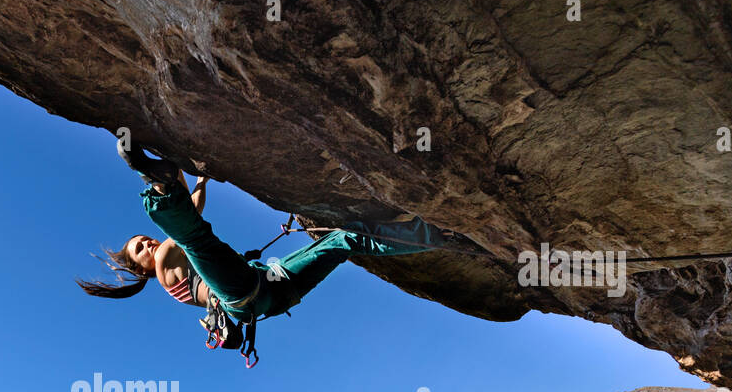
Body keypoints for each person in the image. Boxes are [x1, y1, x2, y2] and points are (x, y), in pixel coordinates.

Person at [76, 145, 451, 362]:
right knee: (197, 240)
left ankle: (432, 236)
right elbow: (190, 227)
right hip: (239, 295)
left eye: (144, 239)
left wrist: (201, 180)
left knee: (341, 241)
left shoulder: (176, 253)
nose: (148, 245)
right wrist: (178, 179)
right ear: (141, 269)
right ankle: (157, 183)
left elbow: (193, 219)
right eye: (140, 249)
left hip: (268, 289)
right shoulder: (164, 267)